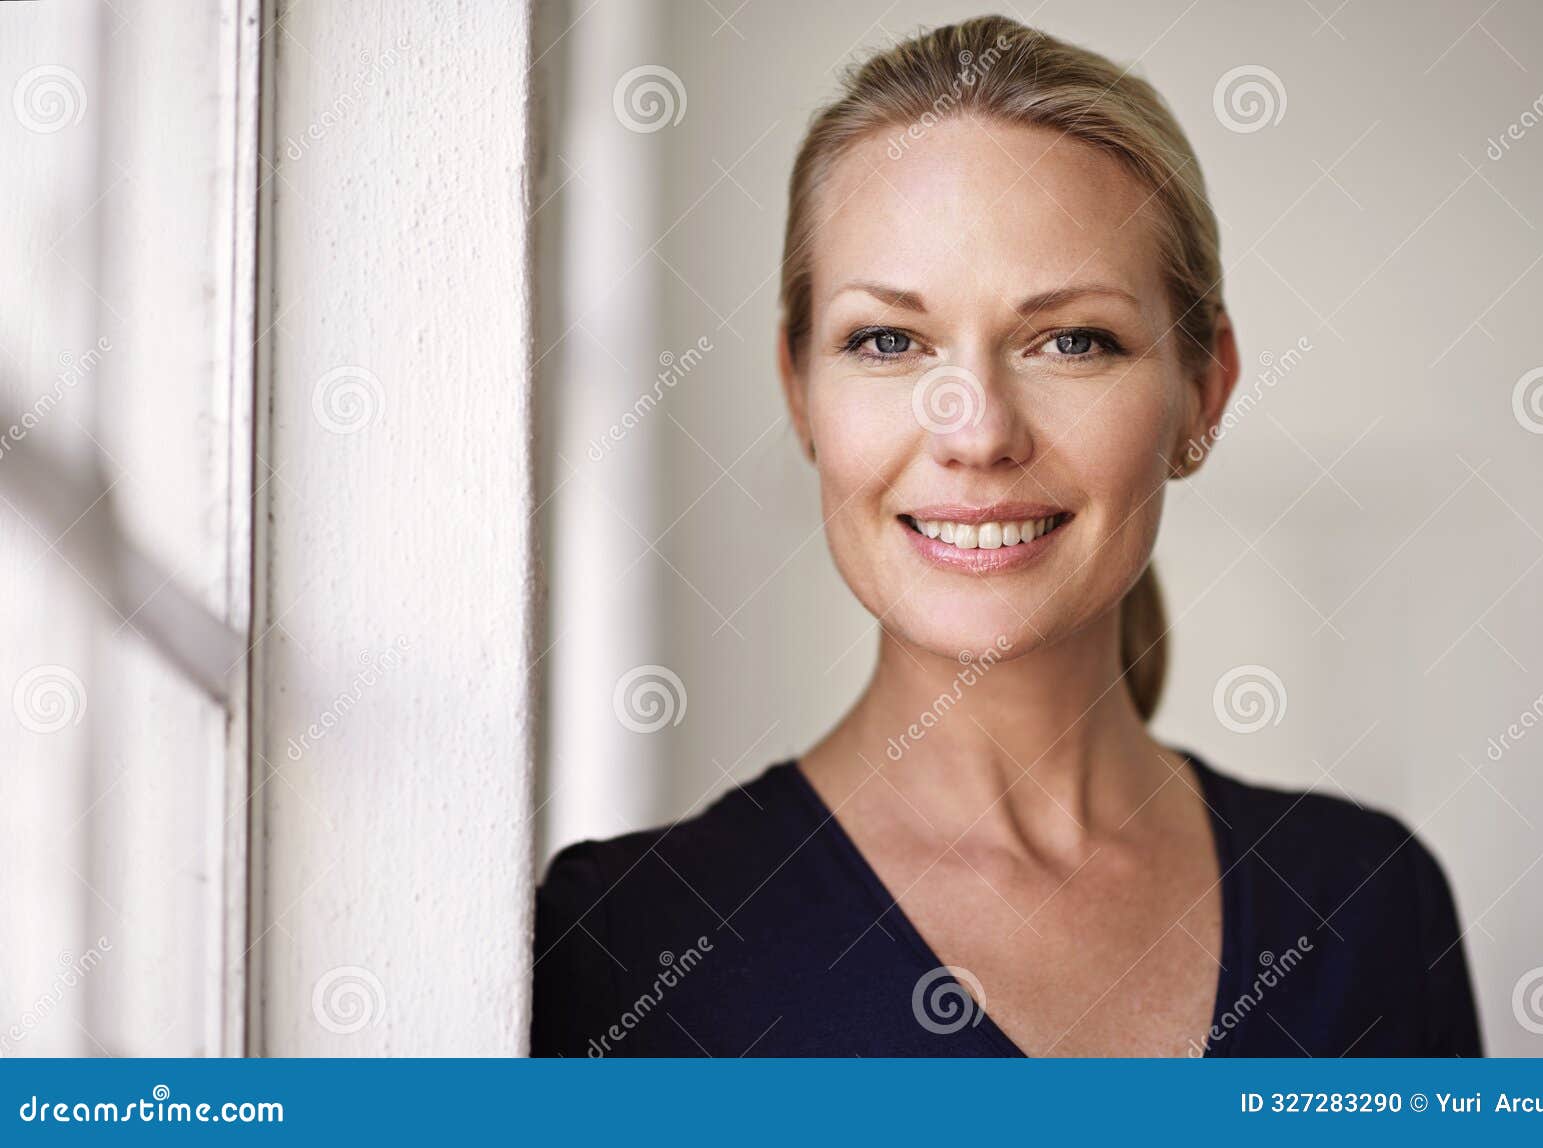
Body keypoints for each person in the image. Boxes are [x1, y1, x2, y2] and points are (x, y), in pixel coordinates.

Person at [532, 15, 1481, 1057]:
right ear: (799, 390)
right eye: (888, 340)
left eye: (1071, 340)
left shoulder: (1364, 905)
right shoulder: (620, 941)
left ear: (1202, 392)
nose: (976, 430)